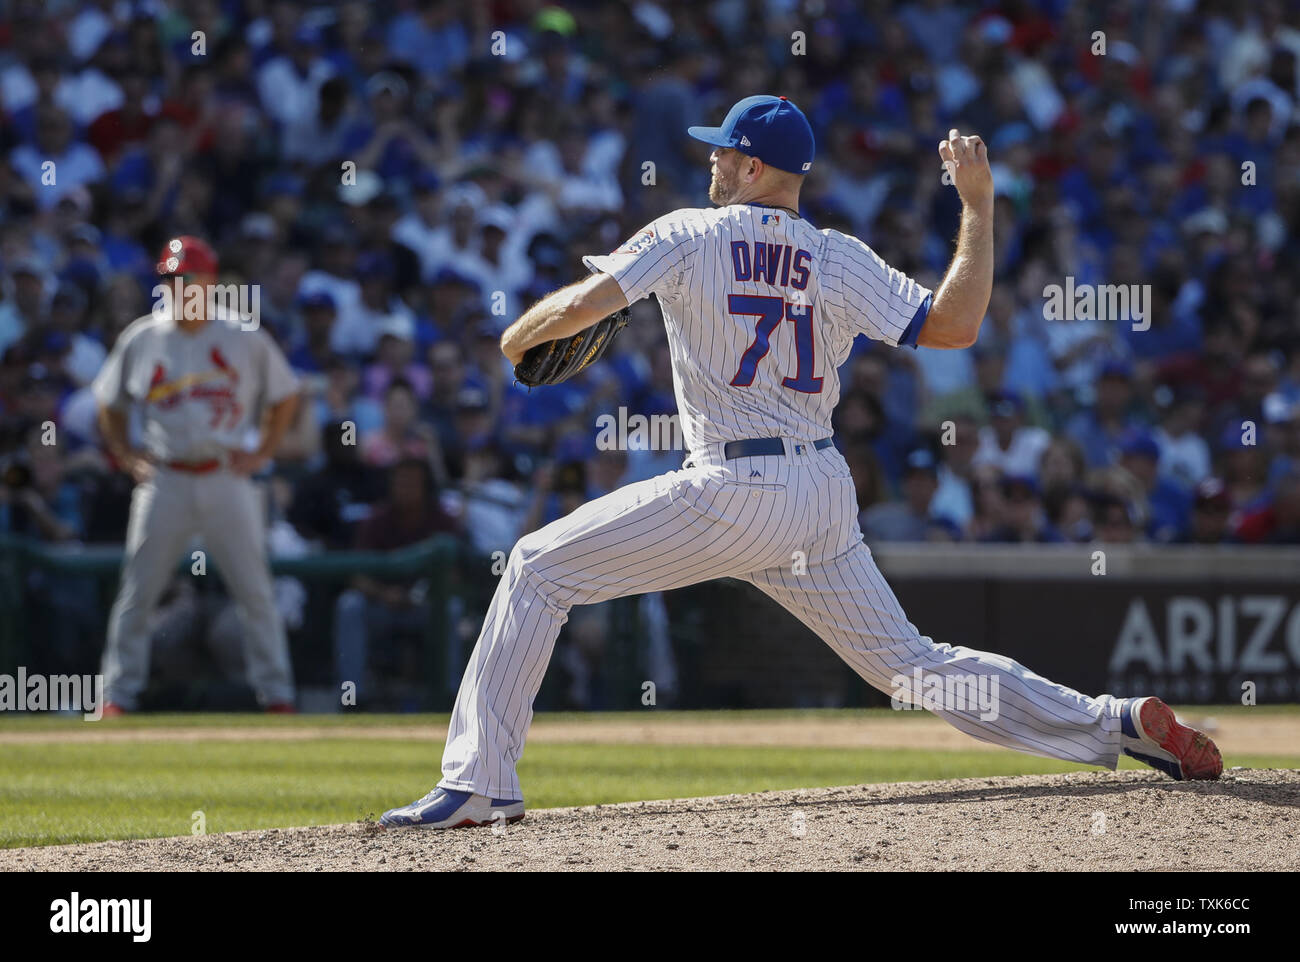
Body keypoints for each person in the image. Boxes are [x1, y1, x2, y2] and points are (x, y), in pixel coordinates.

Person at [380, 96, 1221, 831]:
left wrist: (514, 334)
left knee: (534, 567)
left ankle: (480, 782)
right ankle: (1112, 721)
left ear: (751, 167)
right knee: (915, 666)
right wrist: (979, 207)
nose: (711, 158)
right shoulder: (840, 255)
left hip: (732, 486)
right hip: (818, 490)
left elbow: (585, 306)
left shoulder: (686, 232)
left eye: (722, 148)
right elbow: (959, 326)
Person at [92, 236, 301, 714]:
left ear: (209, 282)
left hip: (226, 474)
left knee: (254, 591)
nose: (178, 286)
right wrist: (126, 455)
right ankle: (117, 695)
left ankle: (277, 695)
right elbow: (108, 402)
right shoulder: (143, 336)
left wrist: (264, 450)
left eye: (187, 278)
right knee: (138, 590)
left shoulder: (242, 335)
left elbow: (285, 395)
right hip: (165, 476)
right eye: (170, 279)